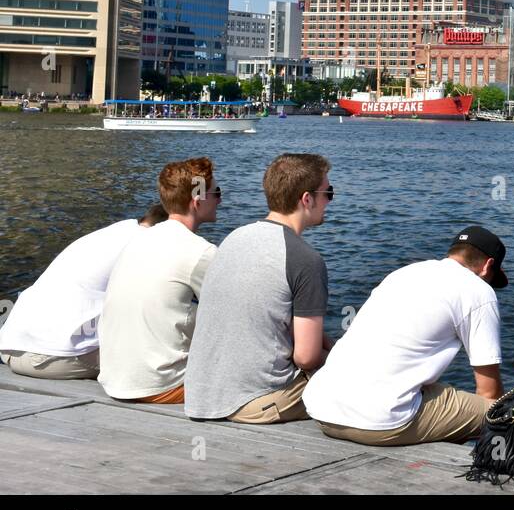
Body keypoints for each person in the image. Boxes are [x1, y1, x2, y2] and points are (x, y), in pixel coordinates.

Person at [303, 227, 507, 446]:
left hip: (322, 409)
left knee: (443, 395)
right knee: (505, 413)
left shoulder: (404, 273)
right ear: (488, 266)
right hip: (378, 423)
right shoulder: (478, 290)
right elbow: (489, 391)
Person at [184, 154, 334, 424]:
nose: (330, 201)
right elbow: (306, 357)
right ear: (307, 199)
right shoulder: (306, 260)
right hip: (254, 400)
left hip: (200, 395)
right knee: (357, 386)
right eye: (328, 193)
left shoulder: (234, 238)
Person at [97, 157, 221, 403]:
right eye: (216, 193)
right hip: (162, 385)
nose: (220, 200)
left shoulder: (138, 239)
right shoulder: (201, 252)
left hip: (114, 379)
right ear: (197, 201)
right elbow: (238, 313)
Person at [0, 204, 169, 379]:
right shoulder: (147, 246)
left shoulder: (116, 231)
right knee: (167, 359)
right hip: (50, 358)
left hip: (10, 348)